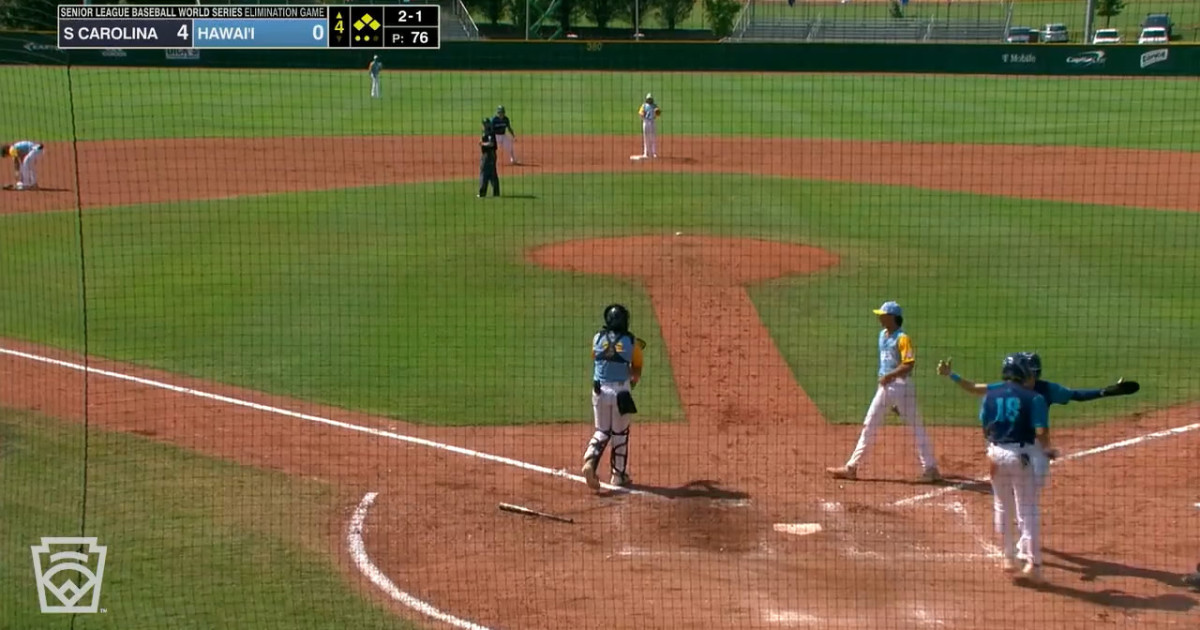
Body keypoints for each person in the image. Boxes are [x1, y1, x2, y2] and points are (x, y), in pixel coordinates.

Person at [937, 352, 1139, 492]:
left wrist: (1104, 392)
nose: (1033, 375)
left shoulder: (1047, 389)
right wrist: (951, 375)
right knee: (1018, 487)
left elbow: (1076, 395)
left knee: (1034, 485)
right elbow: (974, 388)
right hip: (1012, 443)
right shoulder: (1010, 386)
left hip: (1035, 447)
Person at [827, 301, 940, 482]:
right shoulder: (882, 335)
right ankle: (931, 468)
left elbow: (909, 364)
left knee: (871, 424)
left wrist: (889, 376)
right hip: (890, 388)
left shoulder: (902, 338)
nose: (879, 317)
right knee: (912, 426)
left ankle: (852, 468)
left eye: (882, 315)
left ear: (892, 317)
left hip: (899, 386)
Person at [980, 354, 1051, 584]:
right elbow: (1040, 431)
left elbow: (985, 426)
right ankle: (1033, 563)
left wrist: (993, 448)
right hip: (1021, 456)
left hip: (995, 454)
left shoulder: (990, 395)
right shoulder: (1034, 397)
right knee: (1027, 509)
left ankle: (1009, 557)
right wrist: (1048, 450)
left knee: (1002, 505)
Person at [581, 304, 644, 491]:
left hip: (599, 391)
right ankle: (618, 475)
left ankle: (590, 461)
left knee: (601, 430)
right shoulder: (632, 343)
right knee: (620, 434)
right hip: (620, 393)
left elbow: (598, 358)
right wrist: (630, 385)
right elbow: (637, 371)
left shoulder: (597, 338)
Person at [478, 119, 499, 198]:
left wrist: (482, 144)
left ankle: (482, 193)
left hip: (488, 156)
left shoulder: (489, 132)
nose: (482, 126)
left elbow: (491, 143)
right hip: (491, 155)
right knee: (492, 173)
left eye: (483, 124)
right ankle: (496, 193)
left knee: (484, 173)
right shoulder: (487, 132)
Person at [636, 93, 661, 160]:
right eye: (648, 99)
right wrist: (642, 114)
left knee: (653, 137)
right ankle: (646, 152)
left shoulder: (655, 106)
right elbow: (640, 113)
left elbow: (658, 113)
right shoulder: (644, 106)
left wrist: (657, 112)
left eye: (650, 99)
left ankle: (654, 152)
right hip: (646, 122)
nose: (649, 100)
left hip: (652, 122)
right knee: (646, 138)